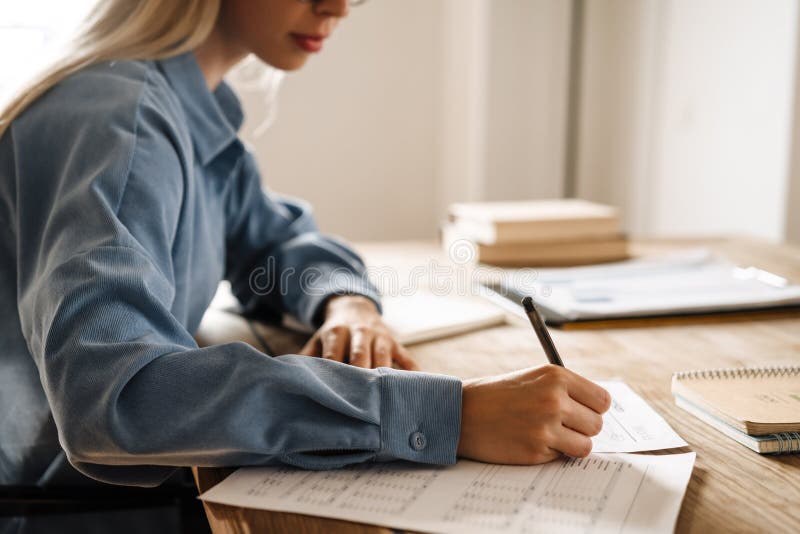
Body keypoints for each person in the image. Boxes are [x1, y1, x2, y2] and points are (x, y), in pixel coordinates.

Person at [0, 0, 611, 531]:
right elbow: (116, 398)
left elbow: (276, 241)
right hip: (75, 509)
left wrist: (347, 303)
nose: (337, 8)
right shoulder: (117, 120)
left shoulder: (183, 105)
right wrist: (448, 415)